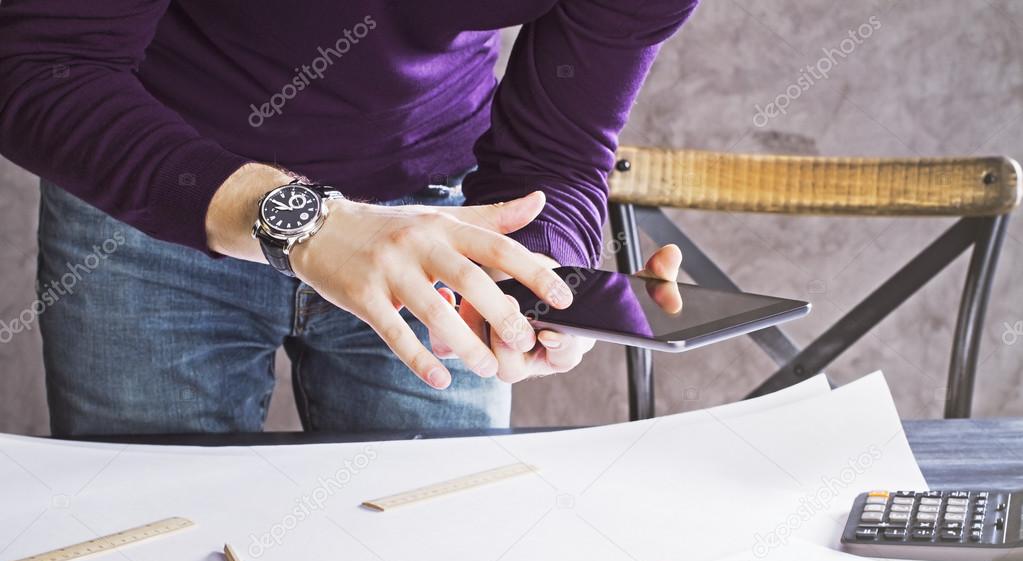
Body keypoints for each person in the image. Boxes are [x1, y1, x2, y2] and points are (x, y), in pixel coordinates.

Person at [0, 1, 697, 436]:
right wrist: (309, 224)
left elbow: (558, 147)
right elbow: (40, 67)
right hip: (156, 203)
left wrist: (540, 277)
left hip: (437, 230)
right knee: (148, 559)